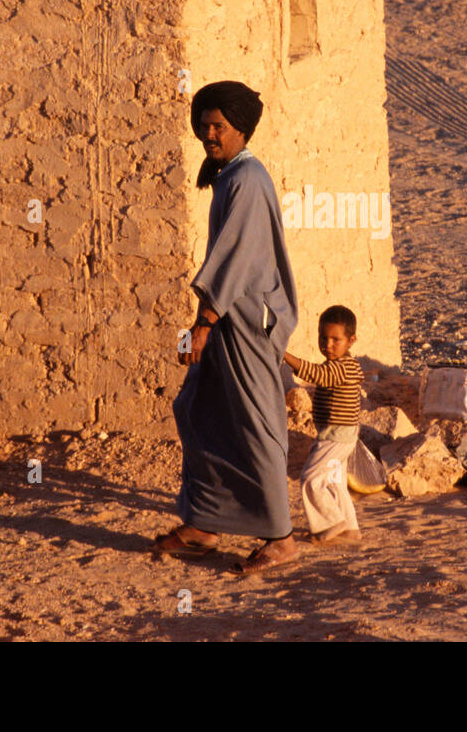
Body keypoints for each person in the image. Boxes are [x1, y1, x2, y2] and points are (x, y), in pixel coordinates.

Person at [153, 80, 301, 575]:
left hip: (248, 324)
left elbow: (235, 258)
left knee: (257, 427)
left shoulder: (248, 180)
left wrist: (204, 323)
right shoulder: (229, 176)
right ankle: (203, 524)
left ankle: (280, 537)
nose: (208, 134)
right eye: (203, 125)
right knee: (197, 409)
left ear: (240, 128)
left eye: (217, 126)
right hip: (224, 321)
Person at [283, 305, 364, 544]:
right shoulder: (341, 365)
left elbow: (316, 374)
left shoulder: (343, 367)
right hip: (338, 436)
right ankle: (350, 528)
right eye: (323, 338)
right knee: (335, 483)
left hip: (335, 439)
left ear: (351, 340)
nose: (327, 344)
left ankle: (330, 523)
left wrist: (283, 354)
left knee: (311, 478)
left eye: (335, 340)